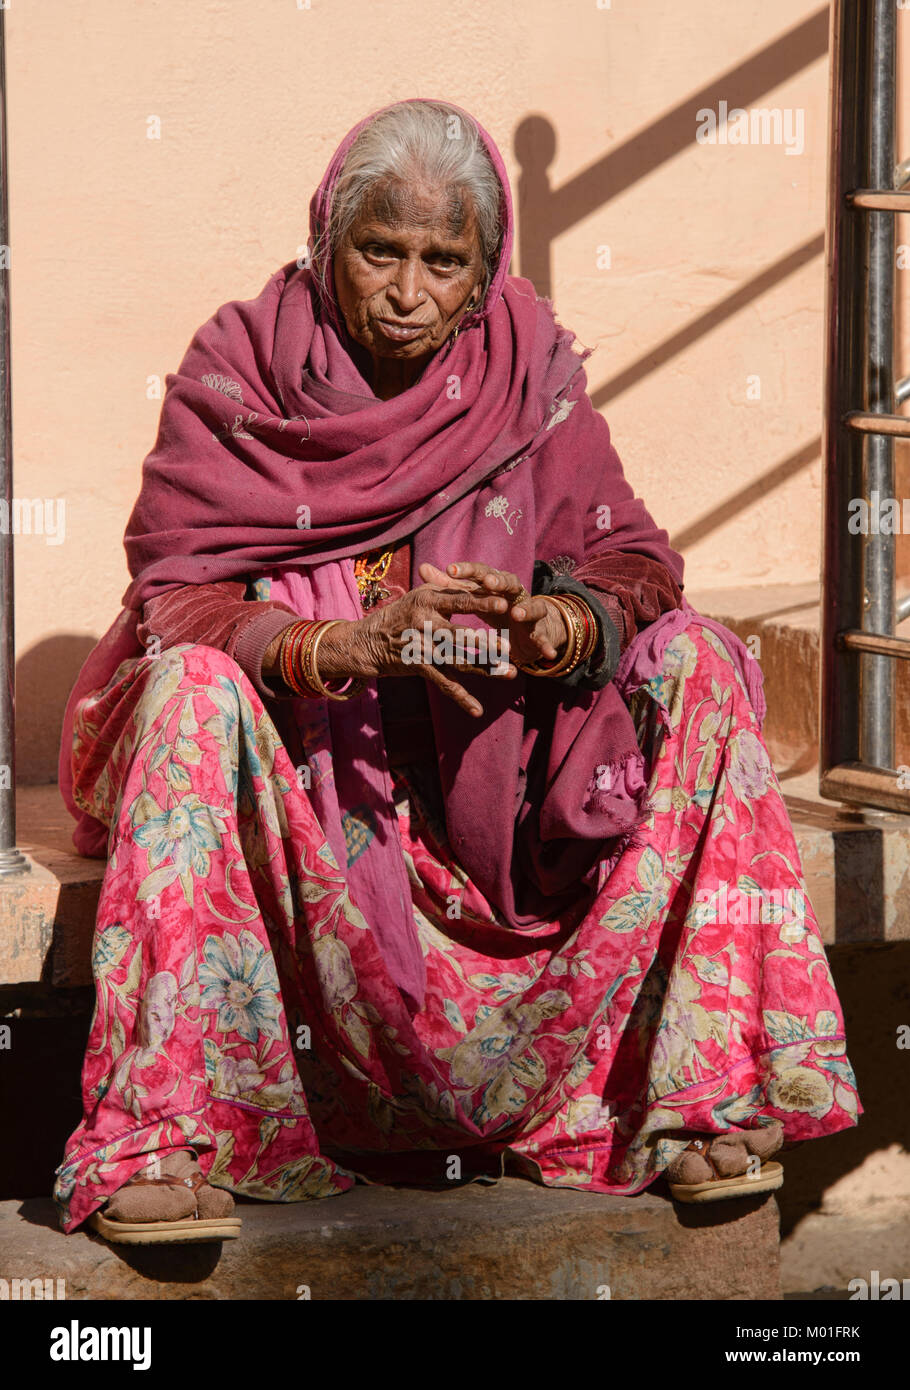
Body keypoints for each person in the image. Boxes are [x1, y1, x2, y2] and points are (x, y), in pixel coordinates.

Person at [54, 98, 859, 1244]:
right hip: (306, 799)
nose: (406, 290)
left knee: (696, 659)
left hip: (496, 793)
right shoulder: (240, 364)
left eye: (445, 261)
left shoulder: (524, 368)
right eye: (380, 251)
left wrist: (557, 624)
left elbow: (634, 559)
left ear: (486, 272)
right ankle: (170, 1124)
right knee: (189, 689)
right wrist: (336, 646)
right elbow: (175, 595)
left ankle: (691, 1097)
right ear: (328, 239)